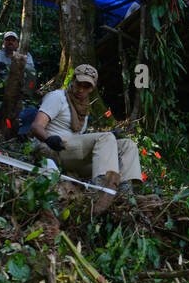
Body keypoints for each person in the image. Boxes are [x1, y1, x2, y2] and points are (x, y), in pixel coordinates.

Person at [29, 64, 142, 214]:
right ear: (72, 80)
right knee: (106, 137)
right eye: (79, 84)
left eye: (86, 87)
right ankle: (101, 191)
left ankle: (125, 194)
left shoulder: (83, 107)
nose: (81, 89)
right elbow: (36, 126)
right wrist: (49, 139)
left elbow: (80, 139)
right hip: (51, 148)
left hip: (71, 152)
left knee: (128, 145)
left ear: (92, 88)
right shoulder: (57, 97)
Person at [0, 31, 35, 103]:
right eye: (8, 40)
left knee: (31, 71)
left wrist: (19, 65)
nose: (10, 42)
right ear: (4, 42)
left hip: (19, 85)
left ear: (17, 43)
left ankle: (26, 97)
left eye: (13, 40)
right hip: (2, 85)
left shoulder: (24, 54)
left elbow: (31, 68)